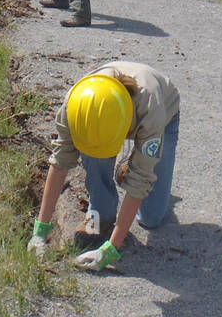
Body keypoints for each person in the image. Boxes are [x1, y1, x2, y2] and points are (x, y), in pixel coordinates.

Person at [27, 62, 181, 271]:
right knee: (92, 145)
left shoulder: (151, 112)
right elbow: (60, 161)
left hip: (165, 112)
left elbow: (141, 180)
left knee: (151, 218)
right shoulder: (76, 105)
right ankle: (101, 211)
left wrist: (110, 250)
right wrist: (39, 232)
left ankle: (131, 161)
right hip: (105, 118)